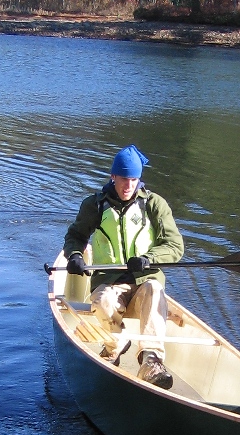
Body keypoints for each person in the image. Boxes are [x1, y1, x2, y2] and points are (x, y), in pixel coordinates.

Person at [63, 145, 184, 389]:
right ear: (113, 177)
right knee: (101, 301)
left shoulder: (154, 205)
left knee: (154, 289)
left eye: (133, 180)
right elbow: (75, 236)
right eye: (123, 179)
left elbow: (175, 246)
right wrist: (74, 255)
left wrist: (149, 258)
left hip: (144, 282)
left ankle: (151, 360)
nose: (128, 186)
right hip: (110, 283)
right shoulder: (95, 205)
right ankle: (116, 343)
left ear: (139, 180)